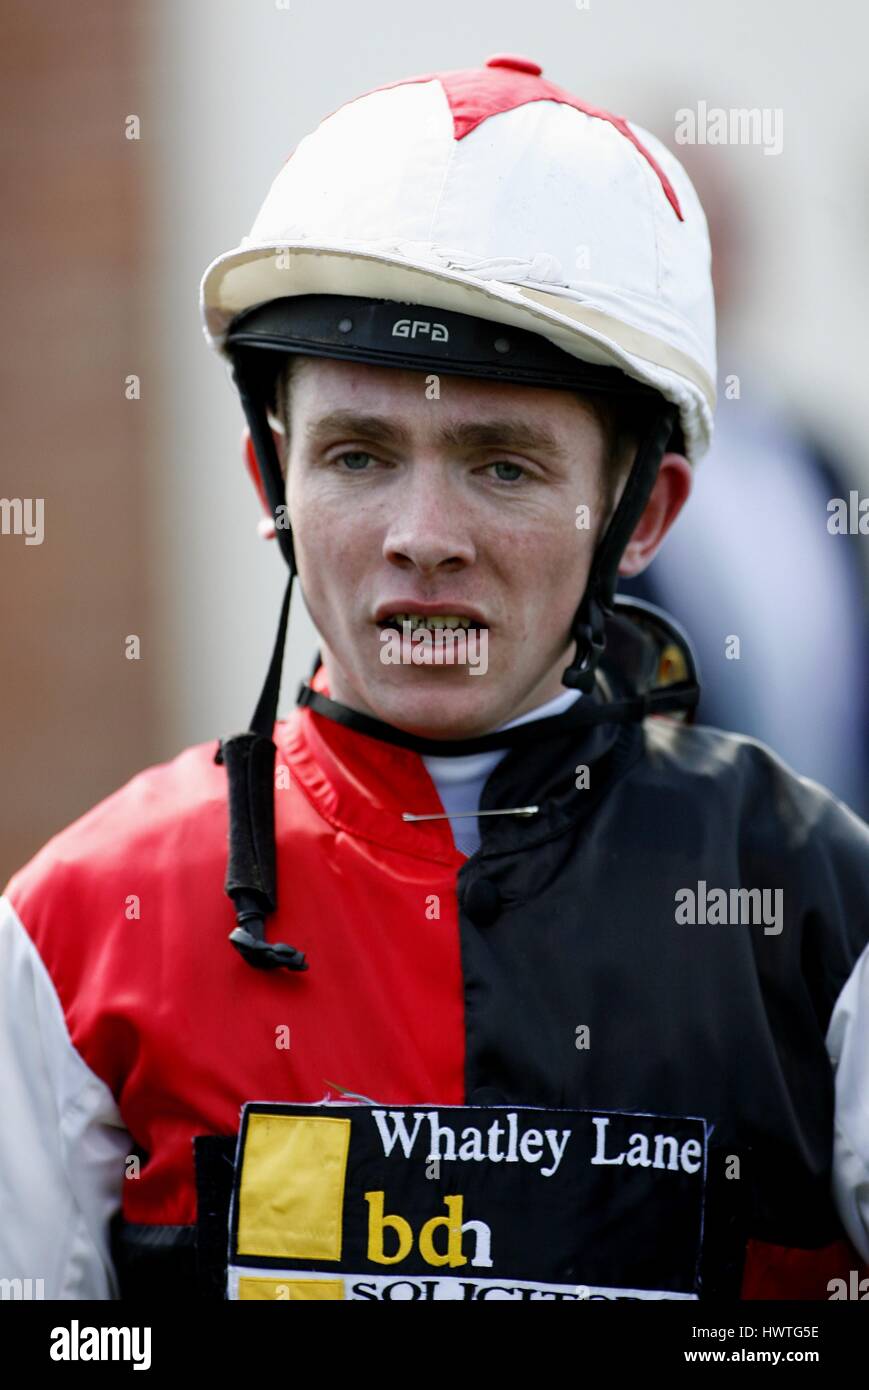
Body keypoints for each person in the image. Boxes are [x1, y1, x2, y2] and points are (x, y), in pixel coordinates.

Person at [1, 55, 867, 1303]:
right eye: (356, 456)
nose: (422, 534)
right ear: (270, 486)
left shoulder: (820, 908)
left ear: (642, 514)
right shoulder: (73, 930)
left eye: (501, 465)